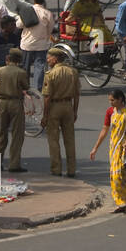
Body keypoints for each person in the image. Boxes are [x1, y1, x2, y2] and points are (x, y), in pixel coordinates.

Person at [88, 89, 126, 213]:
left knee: (119, 175)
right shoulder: (110, 112)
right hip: (114, 148)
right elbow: (104, 130)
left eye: (112, 100)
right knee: (115, 177)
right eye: (109, 100)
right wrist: (95, 148)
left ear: (120, 99)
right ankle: (123, 203)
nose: (110, 103)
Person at [42, 46, 80, 177]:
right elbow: (77, 94)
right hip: (68, 106)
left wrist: (45, 116)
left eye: (49, 58)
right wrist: (75, 111)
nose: (47, 60)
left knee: (53, 140)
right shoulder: (73, 72)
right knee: (70, 140)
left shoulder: (50, 74)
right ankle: (71, 169)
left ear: (55, 59)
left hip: (54, 107)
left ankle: (56, 169)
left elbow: (47, 97)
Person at [0, 49, 29, 172]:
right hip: (15, 103)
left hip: (2, 103)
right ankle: (14, 164)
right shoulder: (21, 72)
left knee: (1, 134)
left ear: (8, 59)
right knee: (17, 134)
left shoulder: (0, 71)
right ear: (19, 60)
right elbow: (26, 86)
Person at [17, 0, 53, 90]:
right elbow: (50, 29)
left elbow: (18, 25)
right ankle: (38, 88)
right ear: (43, 0)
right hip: (41, 45)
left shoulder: (27, 11)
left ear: (34, 0)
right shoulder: (47, 13)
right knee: (39, 67)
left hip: (27, 44)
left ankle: (25, 88)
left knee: (25, 67)